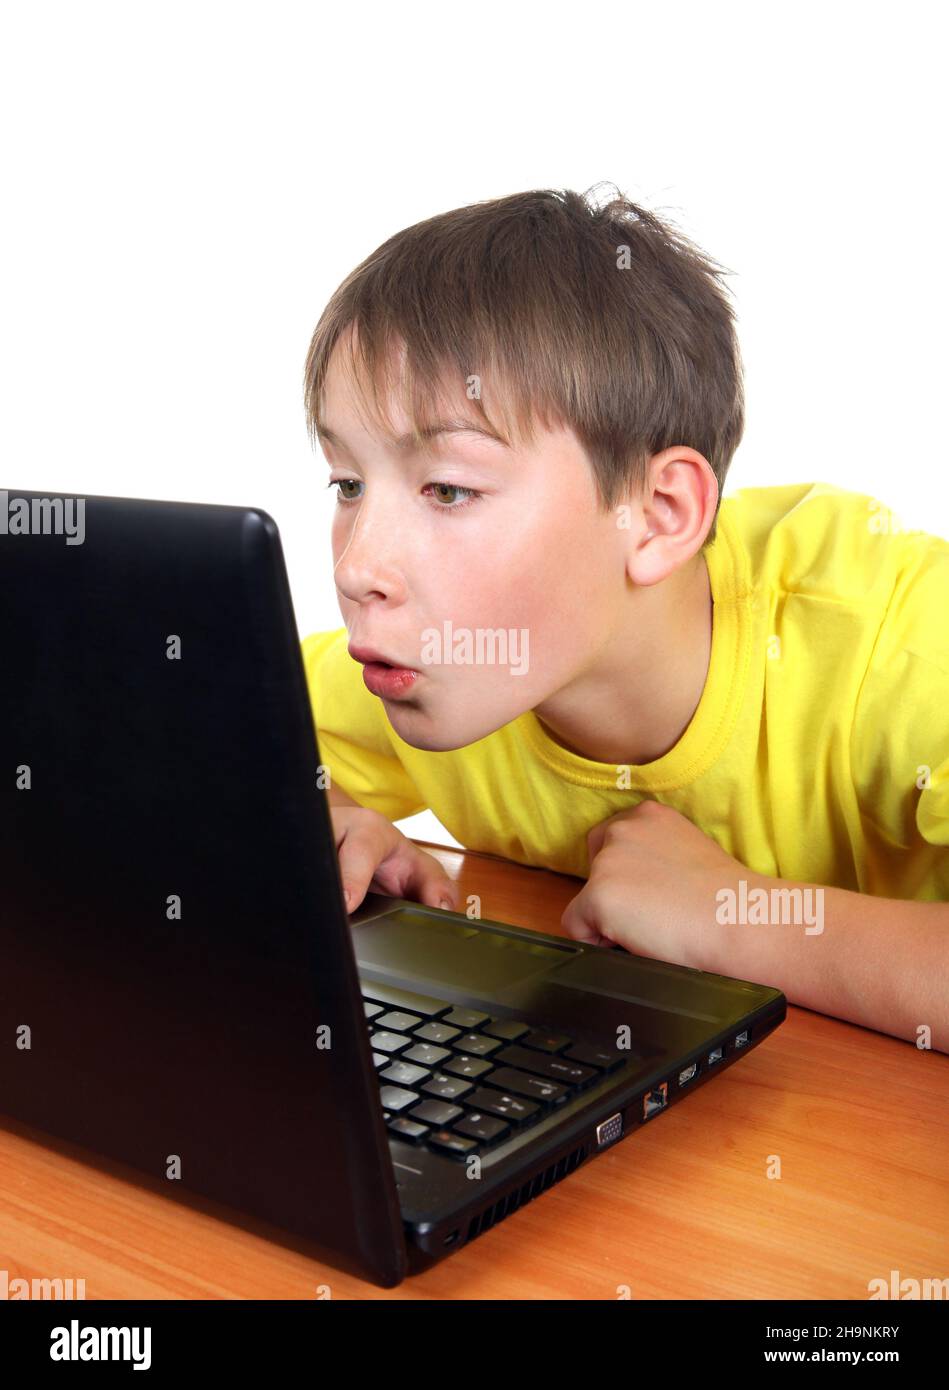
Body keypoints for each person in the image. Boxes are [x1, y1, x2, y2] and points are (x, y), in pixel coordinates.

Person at [300, 184, 949, 1053]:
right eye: (348, 484)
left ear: (655, 514)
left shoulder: (892, 637)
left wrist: (731, 918)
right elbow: (181, 722)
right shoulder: (435, 661)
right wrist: (312, 816)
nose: (356, 568)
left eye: (448, 487)